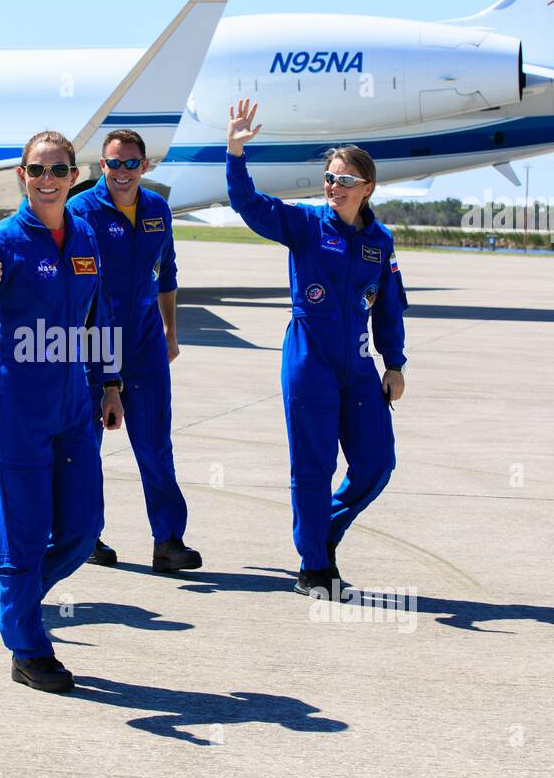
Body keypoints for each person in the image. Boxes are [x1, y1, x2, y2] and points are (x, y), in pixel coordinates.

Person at [0, 130, 124, 693]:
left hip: (73, 398)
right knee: (23, 530)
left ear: (72, 176)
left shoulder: (85, 234)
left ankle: (8, 594)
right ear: (23, 176)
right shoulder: (2, 238)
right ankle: (26, 646)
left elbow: (100, 315)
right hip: (18, 400)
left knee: (83, 530)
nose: (47, 180)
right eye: (37, 171)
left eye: (58, 171)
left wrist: (110, 384)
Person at [224, 98, 408, 600]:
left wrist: (394, 363)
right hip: (309, 358)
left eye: (345, 180)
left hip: (358, 363)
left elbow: (388, 307)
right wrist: (236, 154)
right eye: (329, 178)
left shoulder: (380, 241)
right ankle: (313, 565)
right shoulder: (306, 226)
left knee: (377, 463)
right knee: (314, 465)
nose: (334, 186)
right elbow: (249, 205)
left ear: (367, 188)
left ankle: (320, 534)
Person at [66, 129, 201, 572]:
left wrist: (171, 332)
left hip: (144, 340)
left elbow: (168, 274)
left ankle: (168, 540)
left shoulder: (158, 210)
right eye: (114, 164)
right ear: (101, 166)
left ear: (145, 166)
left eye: (131, 164)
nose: (122, 172)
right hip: (94, 338)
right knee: (85, 445)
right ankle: (86, 536)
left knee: (155, 442)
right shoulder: (80, 211)